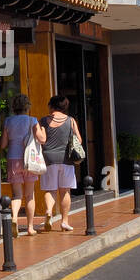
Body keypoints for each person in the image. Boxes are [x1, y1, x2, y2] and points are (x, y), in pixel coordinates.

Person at [0, 93, 45, 236]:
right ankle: (30, 227)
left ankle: (14, 218)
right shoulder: (32, 121)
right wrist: (42, 130)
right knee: (30, 195)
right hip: (30, 160)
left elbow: (3, 145)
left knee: (17, 195)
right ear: (27, 107)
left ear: (14, 107)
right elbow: (42, 139)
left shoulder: (8, 121)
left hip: (13, 158)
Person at [39, 94, 82, 232]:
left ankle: (48, 212)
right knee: (65, 191)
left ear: (51, 105)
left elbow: (42, 140)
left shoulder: (44, 121)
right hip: (66, 160)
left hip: (49, 159)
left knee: (50, 190)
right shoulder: (71, 121)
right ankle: (64, 221)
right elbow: (79, 141)